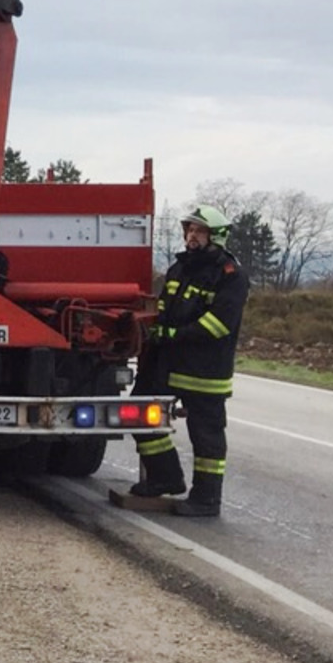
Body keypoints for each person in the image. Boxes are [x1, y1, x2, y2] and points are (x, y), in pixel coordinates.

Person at [127, 204, 248, 517]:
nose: (192, 236)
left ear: (216, 236)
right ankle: (165, 477)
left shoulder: (230, 275)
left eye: (199, 231)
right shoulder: (179, 268)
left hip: (204, 370)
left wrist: (171, 334)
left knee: (205, 435)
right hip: (167, 363)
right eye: (190, 230)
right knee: (139, 412)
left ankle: (206, 499)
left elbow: (218, 325)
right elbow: (165, 309)